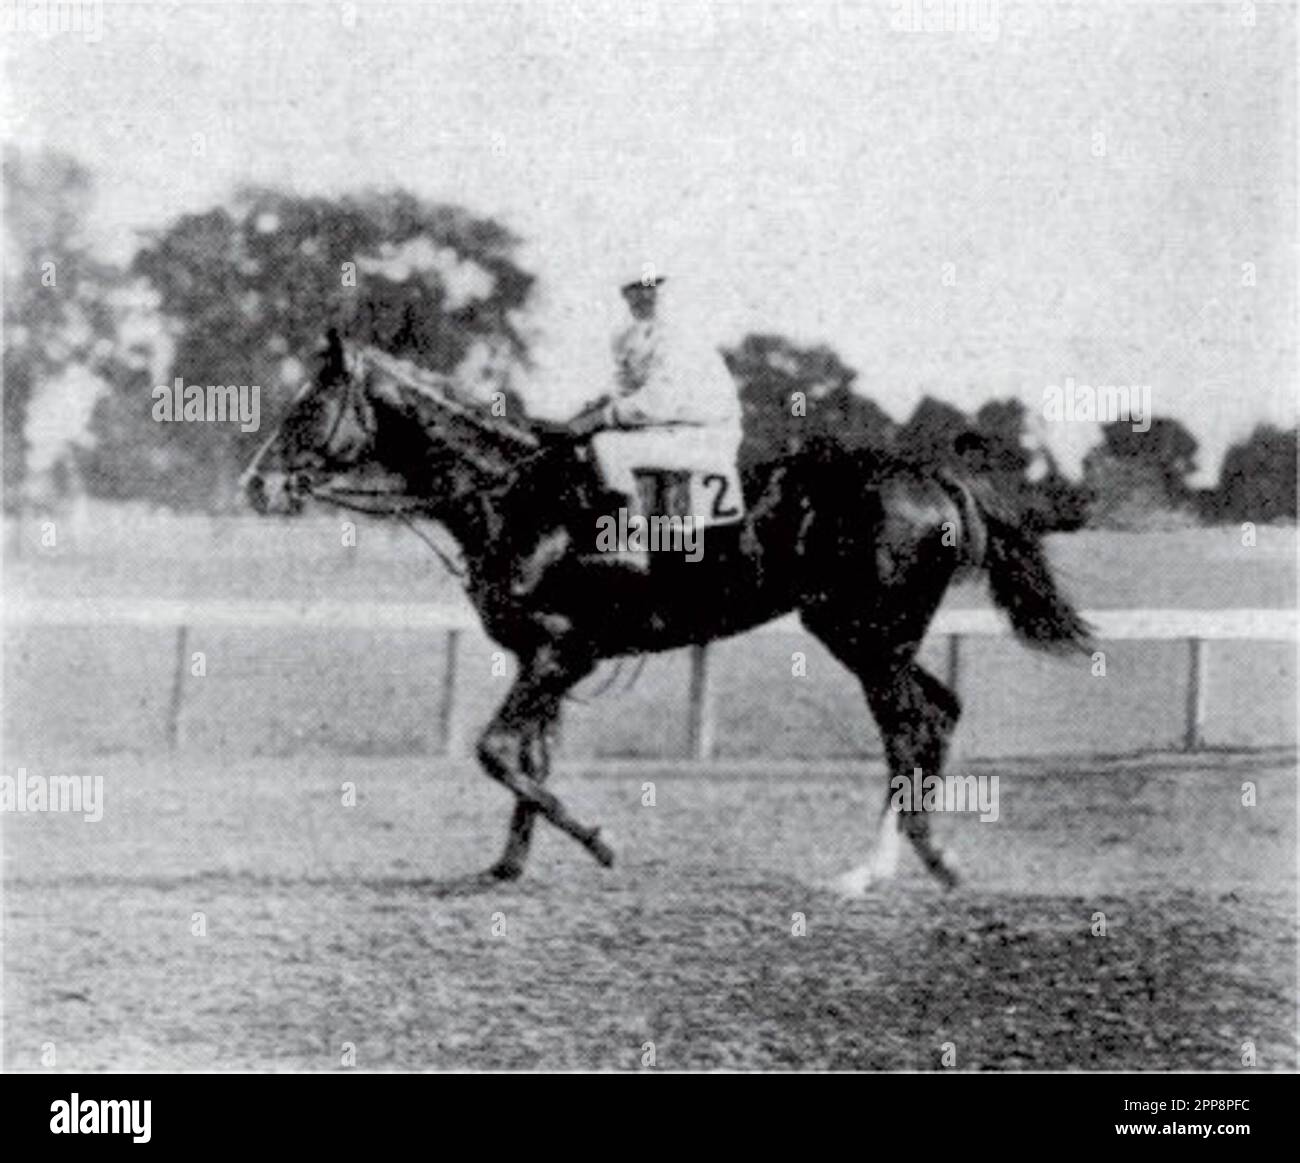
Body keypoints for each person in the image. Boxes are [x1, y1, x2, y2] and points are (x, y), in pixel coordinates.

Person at [510, 269, 743, 596]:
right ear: (625, 294)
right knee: (574, 450)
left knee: (608, 446)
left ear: (660, 290)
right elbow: (618, 390)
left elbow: (658, 402)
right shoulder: (628, 337)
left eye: (650, 288)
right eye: (634, 289)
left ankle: (632, 547)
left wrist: (595, 420)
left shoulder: (678, 336)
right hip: (665, 429)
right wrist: (574, 418)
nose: (643, 296)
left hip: (704, 433)